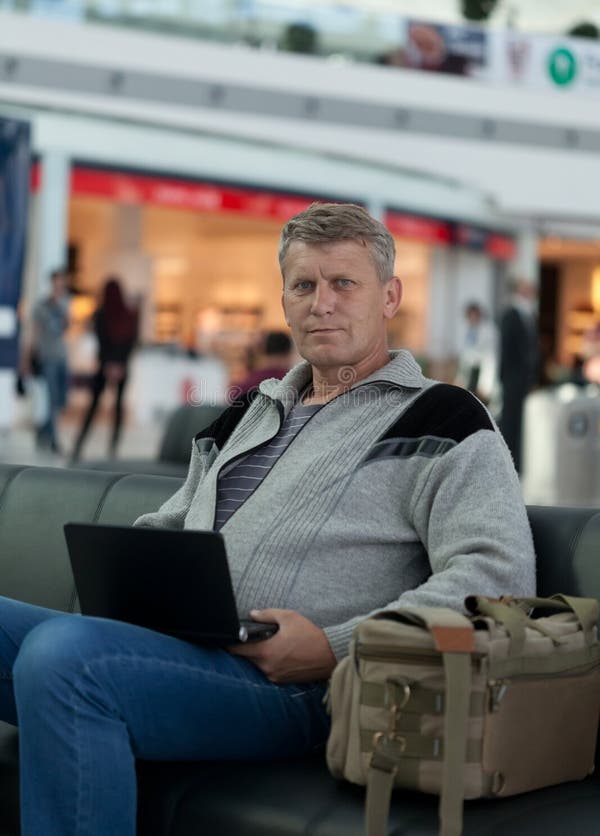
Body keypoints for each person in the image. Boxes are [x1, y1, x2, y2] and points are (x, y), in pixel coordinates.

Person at [0, 203, 535, 836]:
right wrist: (129, 568)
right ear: (284, 299)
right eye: (303, 285)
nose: (322, 303)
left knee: (67, 659)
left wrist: (336, 647)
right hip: (183, 647)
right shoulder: (252, 409)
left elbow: (497, 580)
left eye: (344, 283)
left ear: (389, 296)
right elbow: (176, 522)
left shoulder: (444, 418)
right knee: (55, 644)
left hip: (305, 690)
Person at [71, 278, 138, 461]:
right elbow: (131, 342)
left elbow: (102, 342)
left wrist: (109, 363)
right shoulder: (130, 315)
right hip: (121, 367)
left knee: (93, 407)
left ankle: (78, 447)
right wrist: (120, 364)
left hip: (105, 366)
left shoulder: (101, 313)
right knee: (117, 408)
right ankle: (113, 450)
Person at [498, 277, 540, 474]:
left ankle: (519, 462)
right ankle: (508, 461)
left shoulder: (528, 314)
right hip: (512, 379)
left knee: (521, 421)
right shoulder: (511, 315)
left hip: (523, 380)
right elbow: (507, 350)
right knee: (510, 420)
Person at [27, 268, 70, 453]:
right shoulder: (40, 306)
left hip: (62, 356)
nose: (60, 285)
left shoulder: (65, 303)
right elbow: (34, 333)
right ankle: (53, 440)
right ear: (52, 282)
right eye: (58, 281)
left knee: (61, 400)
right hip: (47, 357)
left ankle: (42, 430)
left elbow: (66, 327)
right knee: (52, 399)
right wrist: (28, 357)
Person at [455, 301, 499, 407]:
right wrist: (460, 379)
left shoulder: (489, 331)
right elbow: (464, 357)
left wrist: (486, 385)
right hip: (470, 374)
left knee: (482, 406)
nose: (471, 319)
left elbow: (490, 360)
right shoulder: (468, 331)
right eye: (469, 316)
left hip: (482, 374)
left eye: (474, 316)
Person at [228, 329, 293, 399]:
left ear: (262, 350)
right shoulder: (294, 381)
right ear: (288, 352)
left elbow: (233, 396)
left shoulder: (248, 382)